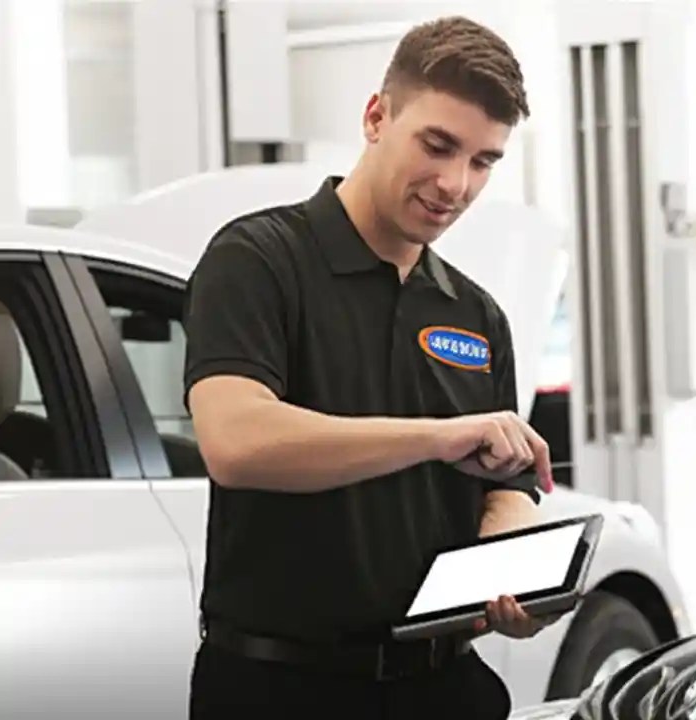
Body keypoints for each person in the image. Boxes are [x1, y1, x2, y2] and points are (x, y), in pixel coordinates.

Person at [183, 16, 558, 719]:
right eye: (439, 145)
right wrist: (436, 435)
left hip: (446, 689)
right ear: (376, 117)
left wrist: (509, 576)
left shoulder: (476, 314)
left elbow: (505, 488)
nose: (455, 184)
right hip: (283, 692)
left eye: (482, 161)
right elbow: (236, 443)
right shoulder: (258, 261)